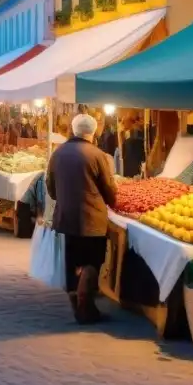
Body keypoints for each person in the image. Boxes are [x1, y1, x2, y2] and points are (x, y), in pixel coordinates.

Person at [46, 114, 117, 324]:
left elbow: (51, 189)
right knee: (92, 261)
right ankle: (85, 308)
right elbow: (109, 191)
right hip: (91, 219)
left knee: (72, 260)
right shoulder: (97, 155)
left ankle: (77, 303)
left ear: (73, 129)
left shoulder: (57, 153)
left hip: (66, 218)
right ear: (93, 132)